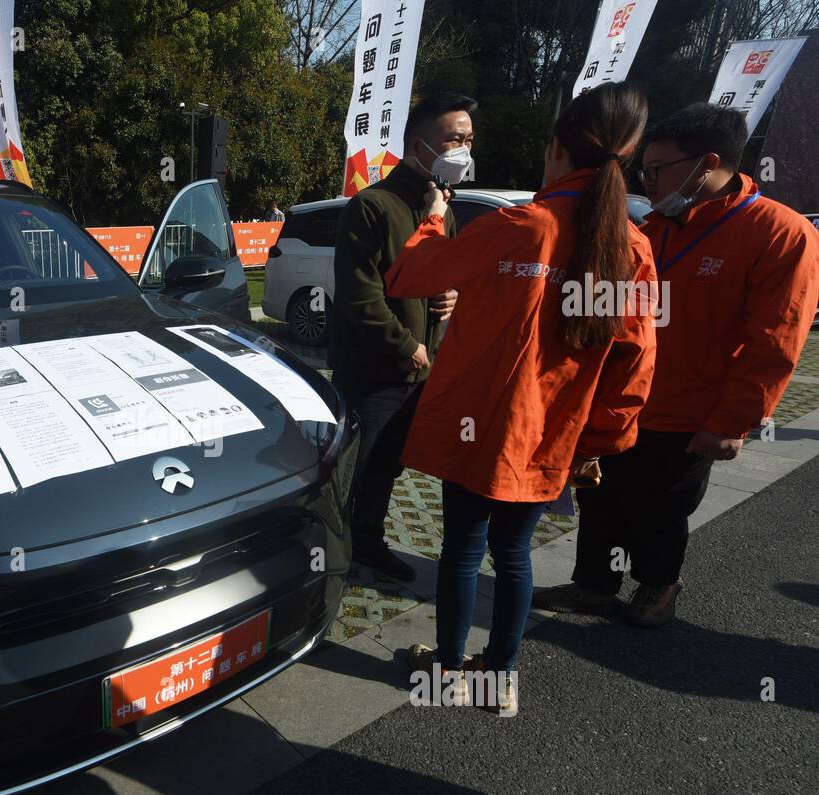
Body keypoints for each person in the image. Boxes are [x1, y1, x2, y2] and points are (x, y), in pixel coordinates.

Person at [384, 82, 658, 714]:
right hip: (552, 433)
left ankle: (446, 673)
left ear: (557, 150)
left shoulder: (520, 226)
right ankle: (498, 678)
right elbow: (634, 358)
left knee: (462, 549)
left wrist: (430, 215)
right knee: (513, 554)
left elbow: (413, 274)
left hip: (478, 426)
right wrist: (600, 442)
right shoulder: (632, 247)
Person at [535, 103, 819, 627]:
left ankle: (657, 586)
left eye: (655, 169)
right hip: (618, 398)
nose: (645, 179)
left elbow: (775, 340)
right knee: (600, 497)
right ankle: (593, 586)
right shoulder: (657, 224)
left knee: (661, 509)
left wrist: (732, 421)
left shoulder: (781, 233)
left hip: (690, 408)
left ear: (706, 164)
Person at [329, 91, 471, 582]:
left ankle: (368, 544)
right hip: (375, 372)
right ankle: (332, 561)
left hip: (420, 371)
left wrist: (451, 294)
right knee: (357, 468)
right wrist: (404, 344)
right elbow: (358, 295)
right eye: (454, 138)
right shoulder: (371, 206)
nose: (464, 150)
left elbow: (442, 274)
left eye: (469, 140)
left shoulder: (442, 209)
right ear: (419, 144)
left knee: (389, 467)